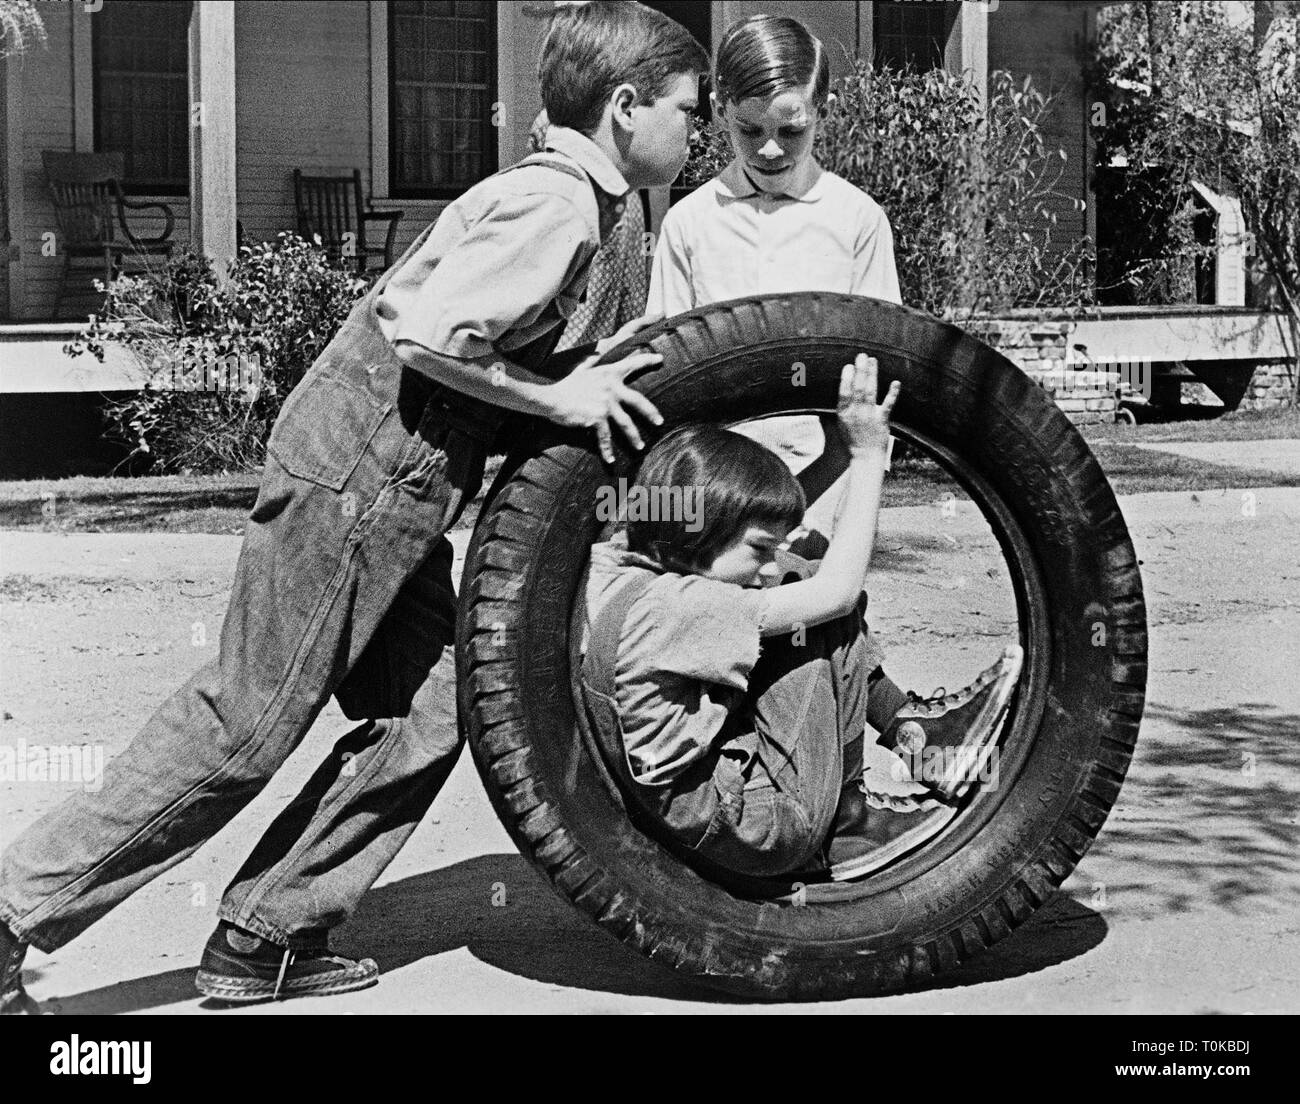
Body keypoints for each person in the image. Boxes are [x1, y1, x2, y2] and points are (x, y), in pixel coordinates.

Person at [0, 1, 708, 1013]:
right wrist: (559, 398)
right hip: (365, 469)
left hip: (403, 477)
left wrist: (585, 372)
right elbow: (428, 334)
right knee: (246, 723)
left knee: (439, 701)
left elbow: (482, 340)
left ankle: (268, 930)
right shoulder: (558, 203)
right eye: (690, 108)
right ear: (626, 105)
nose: (700, 130)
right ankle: (13, 914)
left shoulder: (587, 206)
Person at [647, 14, 1016, 783]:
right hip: (727, 474)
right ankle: (876, 760)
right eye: (750, 132)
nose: (773, 150)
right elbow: (671, 363)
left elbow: (881, 360)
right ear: (721, 113)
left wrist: (852, 462)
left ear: (822, 111)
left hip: (822, 459)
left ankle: (853, 781)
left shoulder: (854, 218)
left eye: (793, 129)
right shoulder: (689, 223)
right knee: (769, 632)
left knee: (827, 612)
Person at [582, 356, 1020, 880]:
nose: (766, 564)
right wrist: (865, 456)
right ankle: (852, 814)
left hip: (699, 808)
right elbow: (836, 593)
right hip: (759, 826)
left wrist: (832, 454)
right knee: (809, 599)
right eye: (758, 550)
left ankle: (920, 740)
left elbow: (744, 521)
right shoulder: (682, 609)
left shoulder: (620, 563)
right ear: (698, 531)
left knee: (792, 569)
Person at [529, 109, 650, 352]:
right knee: (609, 293)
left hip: (603, 205)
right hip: (619, 203)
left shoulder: (558, 117)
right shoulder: (611, 115)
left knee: (592, 294)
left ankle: (576, 358)